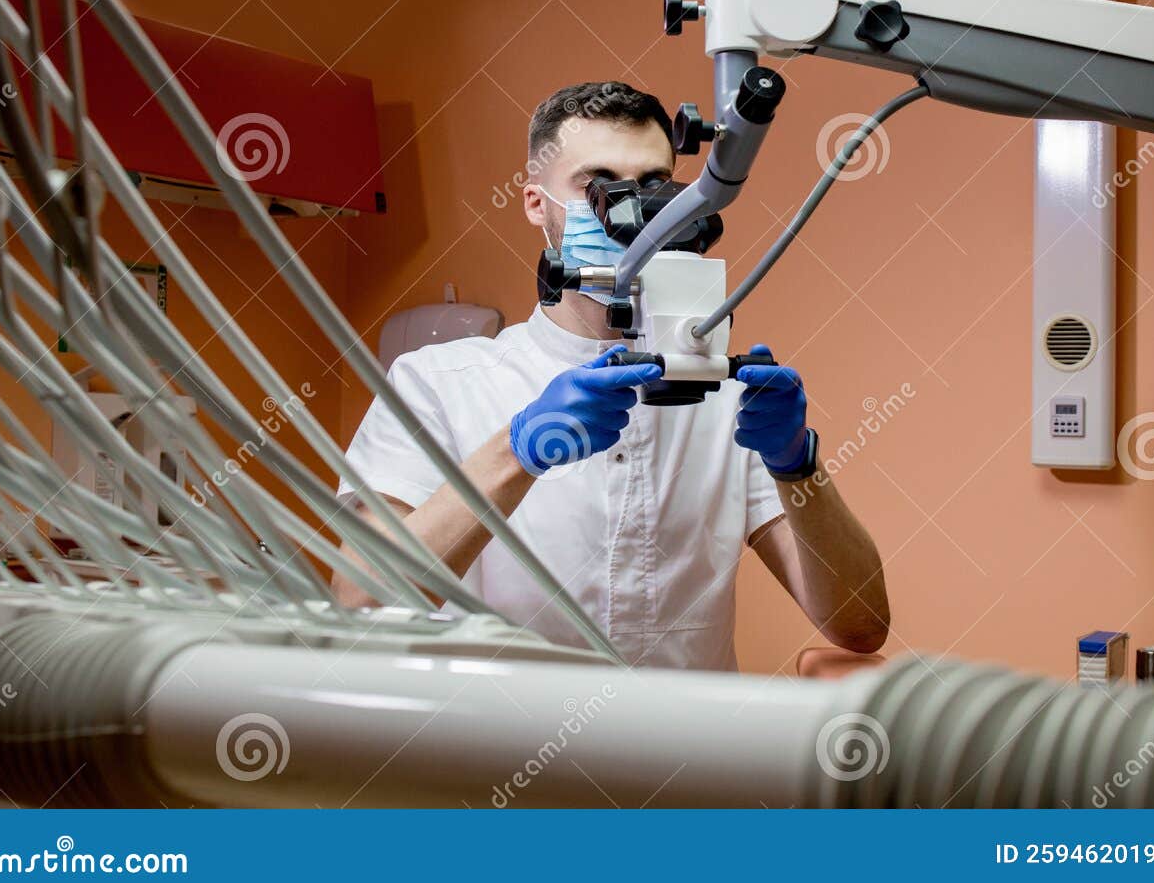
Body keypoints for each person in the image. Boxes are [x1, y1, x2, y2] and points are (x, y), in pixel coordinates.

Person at [336, 81, 889, 670]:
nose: (632, 211)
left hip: (679, 732)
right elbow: (361, 607)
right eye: (595, 183)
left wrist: (798, 465)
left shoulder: (726, 396)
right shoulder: (437, 383)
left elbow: (860, 625)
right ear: (536, 204)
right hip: (500, 729)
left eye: (654, 185)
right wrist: (516, 454)